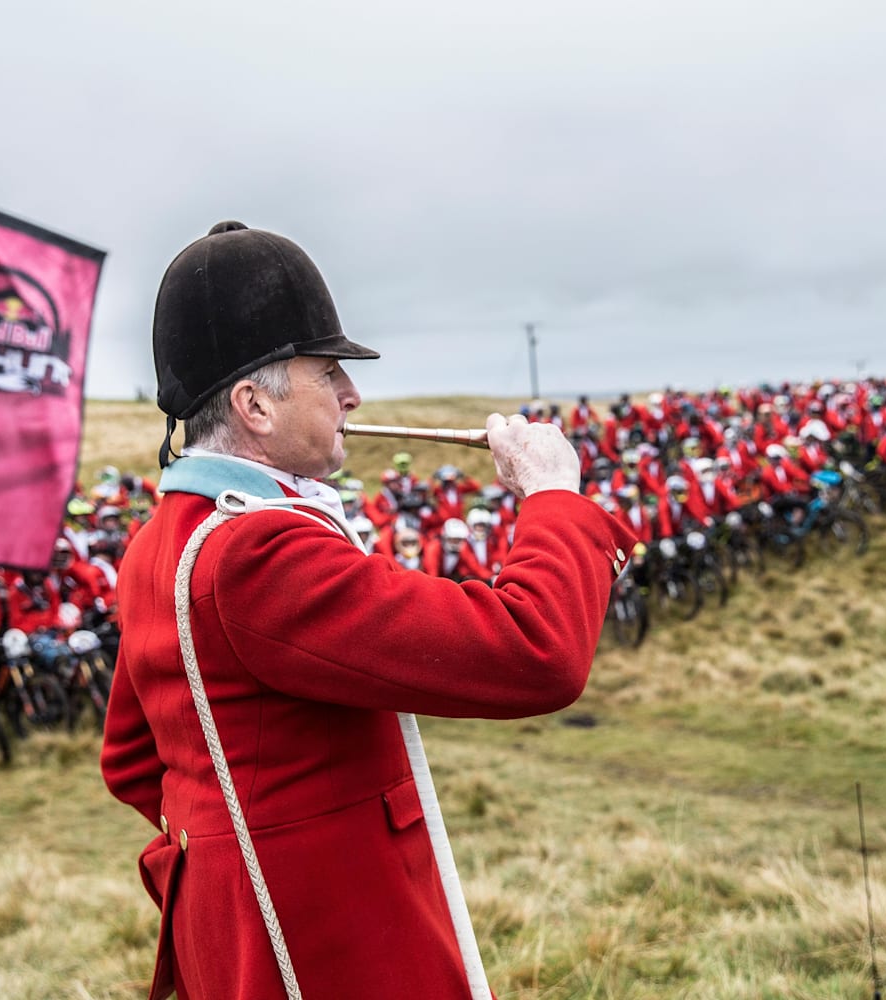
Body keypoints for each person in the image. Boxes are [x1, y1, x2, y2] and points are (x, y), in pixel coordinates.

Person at [101, 220, 636, 1000]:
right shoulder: (254, 555)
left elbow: (131, 759)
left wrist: (224, 846)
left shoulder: (163, 542)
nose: (353, 396)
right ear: (254, 404)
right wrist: (553, 497)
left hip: (243, 934)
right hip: (325, 941)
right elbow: (534, 653)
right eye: (328, 373)